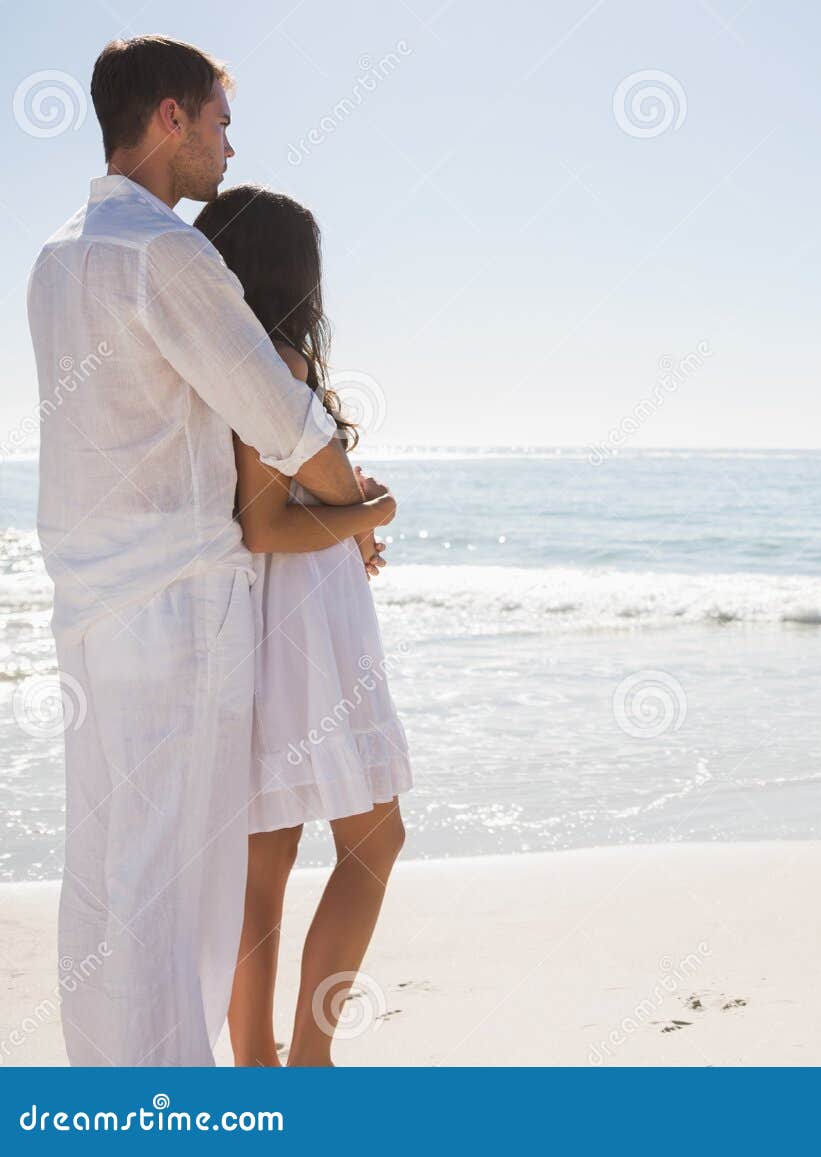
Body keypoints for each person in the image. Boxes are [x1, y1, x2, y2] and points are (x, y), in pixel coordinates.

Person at [25, 35, 396, 1066]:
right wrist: (365, 508)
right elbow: (280, 418)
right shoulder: (164, 253)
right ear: (171, 118)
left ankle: (115, 1092)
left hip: (89, 606)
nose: (229, 149)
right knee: (172, 880)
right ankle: (168, 1109)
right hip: (176, 606)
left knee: (108, 870)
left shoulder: (56, 258)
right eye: (220, 123)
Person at [193, 185, 412, 1067]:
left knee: (266, 857)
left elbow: (280, 501)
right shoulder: (274, 362)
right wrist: (373, 512)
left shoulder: (230, 361)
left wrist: (350, 509)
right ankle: (308, 1064)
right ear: (291, 273)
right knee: (374, 839)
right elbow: (266, 523)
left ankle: (258, 1066)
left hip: (268, 619)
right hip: (306, 630)